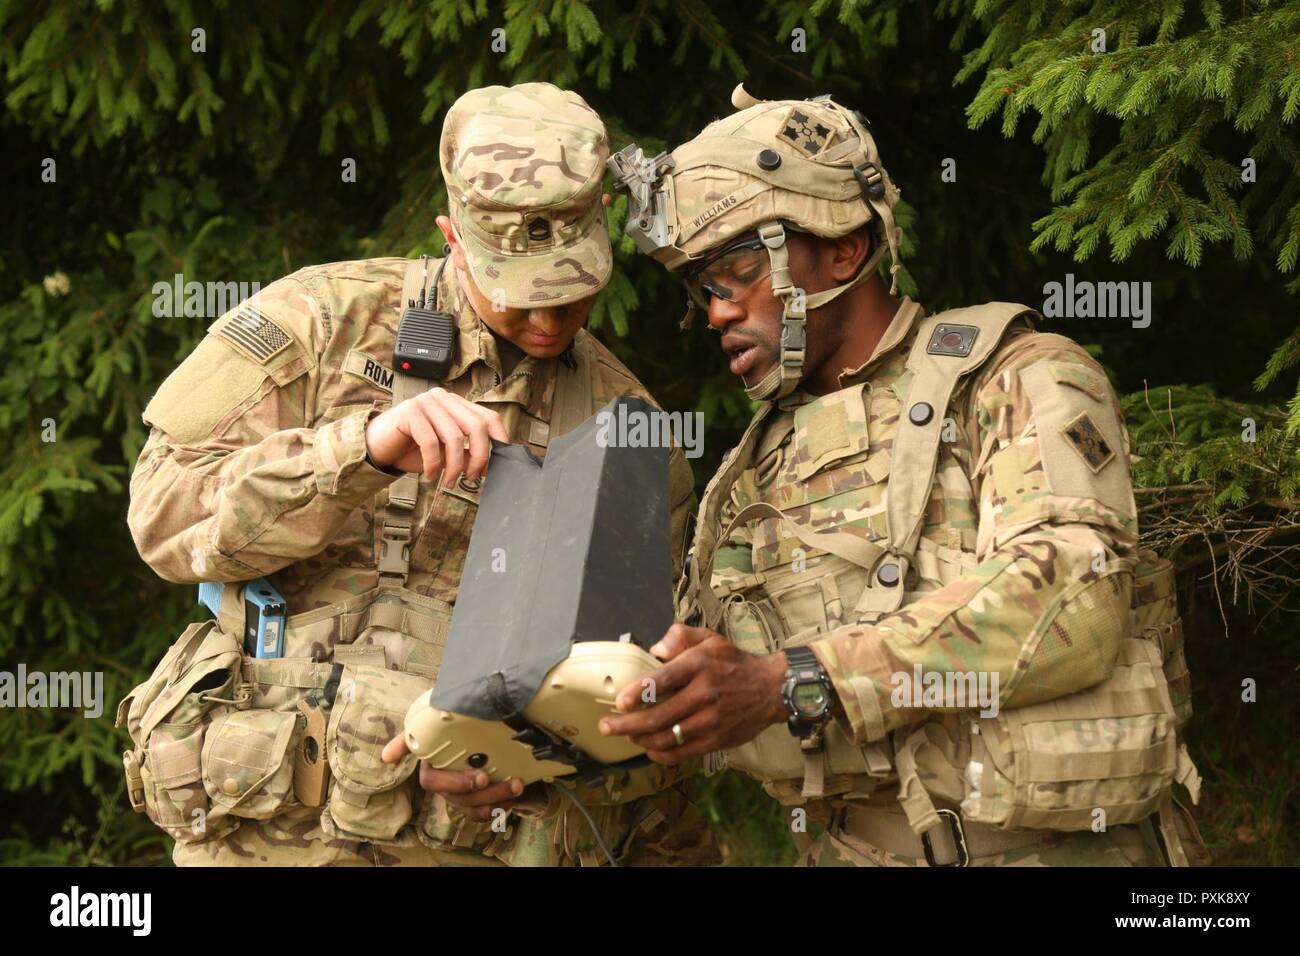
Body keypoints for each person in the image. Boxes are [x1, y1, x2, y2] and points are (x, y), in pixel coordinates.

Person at [599, 86, 1207, 866]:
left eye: (738, 268)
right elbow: (709, 680)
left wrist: (797, 680)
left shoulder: (1014, 376)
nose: (715, 311)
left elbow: (1074, 596)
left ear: (844, 248)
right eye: (700, 287)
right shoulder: (754, 470)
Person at [122, 81, 717, 867]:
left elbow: (640, 686)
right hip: (264, 837)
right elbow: (163, 522)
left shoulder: (624, 425)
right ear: (451, 236)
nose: (545, 324)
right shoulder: (319, 321)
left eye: (570, 295)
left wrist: (534, 765)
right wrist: (358, 451)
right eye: (517, 295)